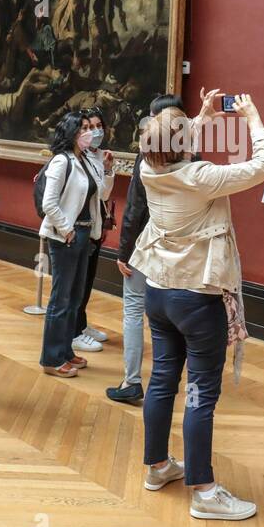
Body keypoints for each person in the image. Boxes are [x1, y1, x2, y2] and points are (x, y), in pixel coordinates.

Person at [129, 89, 264, 520]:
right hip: (196, 297)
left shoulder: (147, 168)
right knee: (200, 394)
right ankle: (204, 491)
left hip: (158, 290)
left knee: (161, 380)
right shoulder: (201, 176)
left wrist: (202, 116)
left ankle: (157, 466)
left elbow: (167, 145)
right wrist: (251, 117)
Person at [108, 93, 184, 405]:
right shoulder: (191, 156)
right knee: (171, 315)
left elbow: (135, 209)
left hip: (146, 244)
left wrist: (124, 251)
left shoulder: (149, 155)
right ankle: (167, 381)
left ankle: (132, 380)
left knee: (134, 308)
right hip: (179, 247)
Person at [38, 111, 112, 377]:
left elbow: (102, 194)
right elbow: (49, 203)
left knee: (74, 298)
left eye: (88, 128)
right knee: (61, 299)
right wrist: (67, 230)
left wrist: (108, 169)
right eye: (82, 128)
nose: (88, 133)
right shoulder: (61, 161)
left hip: (85, 234)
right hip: (66, 237)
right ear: (71, 132)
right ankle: (51, 358)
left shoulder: (86, 160)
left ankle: (66, 351)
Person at [70, 106, 116, 354]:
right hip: (77, 228)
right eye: (89, 127)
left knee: (87, 280)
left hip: (95, 226)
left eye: (99, 126)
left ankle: (81, 324)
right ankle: (73, 332)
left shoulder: (99, 155)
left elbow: (105, 194)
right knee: (76, 283)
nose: (95, 131)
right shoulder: (75, 157)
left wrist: (108, 169)